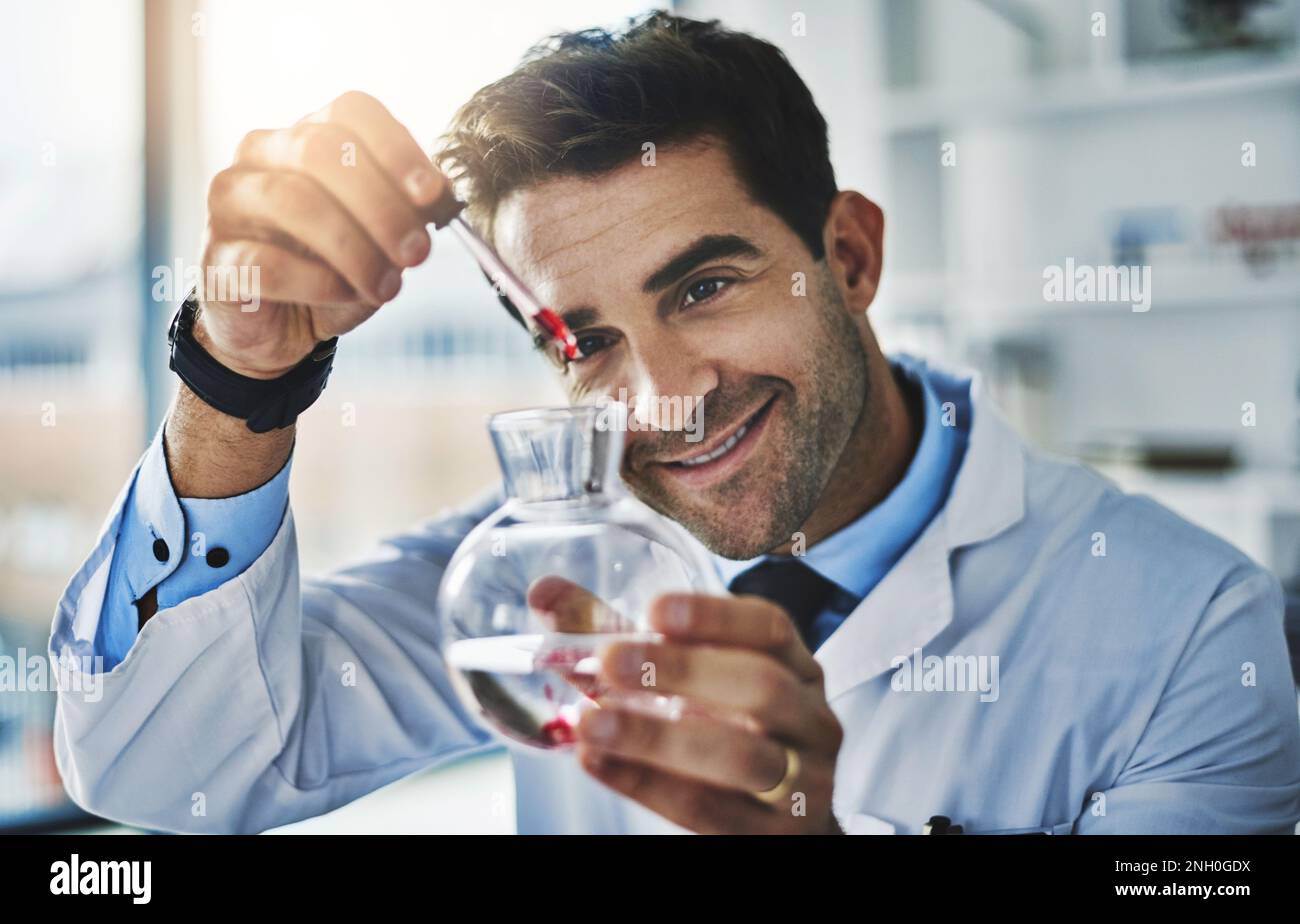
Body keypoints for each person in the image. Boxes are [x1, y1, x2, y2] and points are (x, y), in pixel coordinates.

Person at [49, 12, 1300, 835]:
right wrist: (237, 383)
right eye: (586, 339)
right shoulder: (537, 577)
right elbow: (172, 768)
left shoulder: (1191, 636)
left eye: (703, 285)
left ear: (849, 254)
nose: (660, 395)